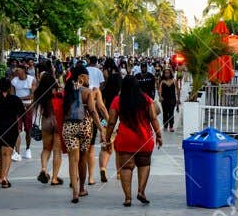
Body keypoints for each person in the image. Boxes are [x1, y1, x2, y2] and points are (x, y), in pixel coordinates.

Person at [106, 74, 162, 207]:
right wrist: (159, 135)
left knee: (126, 167)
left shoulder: (117, 100)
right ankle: (141, 191)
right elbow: (154, 118)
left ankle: (127, 198)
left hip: (125, 139)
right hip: (144, 139)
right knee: (144, 164)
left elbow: (111, 122)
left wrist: (107, 139)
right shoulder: (146, 100)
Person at [61, 64, 101, 203]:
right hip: (84, 127)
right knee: (83, 159)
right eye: (87, 76)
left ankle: (75, 192)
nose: (89, 79)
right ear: (81, 77)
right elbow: (93, 111)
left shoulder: (66, 90)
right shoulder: (87, 92)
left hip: (69, 127)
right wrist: (101, 129)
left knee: (73, 159)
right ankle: (82, 188)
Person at [0, 72, 25, 187]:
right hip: (11, 128)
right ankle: (5, 177)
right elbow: (21, 114)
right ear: (10, 88)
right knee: (7, 154)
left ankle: (0, 177)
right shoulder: (15, 99)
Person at [34, 67, 64, 186]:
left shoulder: (39, 92)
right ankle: (54, 178)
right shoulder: (58, 92)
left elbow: (36, 108)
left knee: (46, 149)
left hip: (46, 120)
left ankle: (44, 169)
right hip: (57, 120)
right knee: (57, 151)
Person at [9, 62, 34, 161]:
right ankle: (17, 152)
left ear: (23, 70)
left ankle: (28, 149)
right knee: (17, 129)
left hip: (28, 107)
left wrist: (19, 99)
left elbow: (32, 95)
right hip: (17, 108)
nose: (16, 71)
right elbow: (12, 94)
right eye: (16, 70)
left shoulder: (31, 80)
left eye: (18, 70)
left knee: (28, 129)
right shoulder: (14, 81)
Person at [159, 66, 179, 133]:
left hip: (172, 99)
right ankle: (165, 126)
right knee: (165, 113)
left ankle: (171, 126)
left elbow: (177, 89)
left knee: (171, 112)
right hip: (164, 99)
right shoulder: (162, 81)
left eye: (168, 73)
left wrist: (178, 99)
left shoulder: (174, 80)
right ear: (164, 74)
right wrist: (160, 97)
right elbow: (160, 90)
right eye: (165, 73)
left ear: (170, 73)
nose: (167, 74)